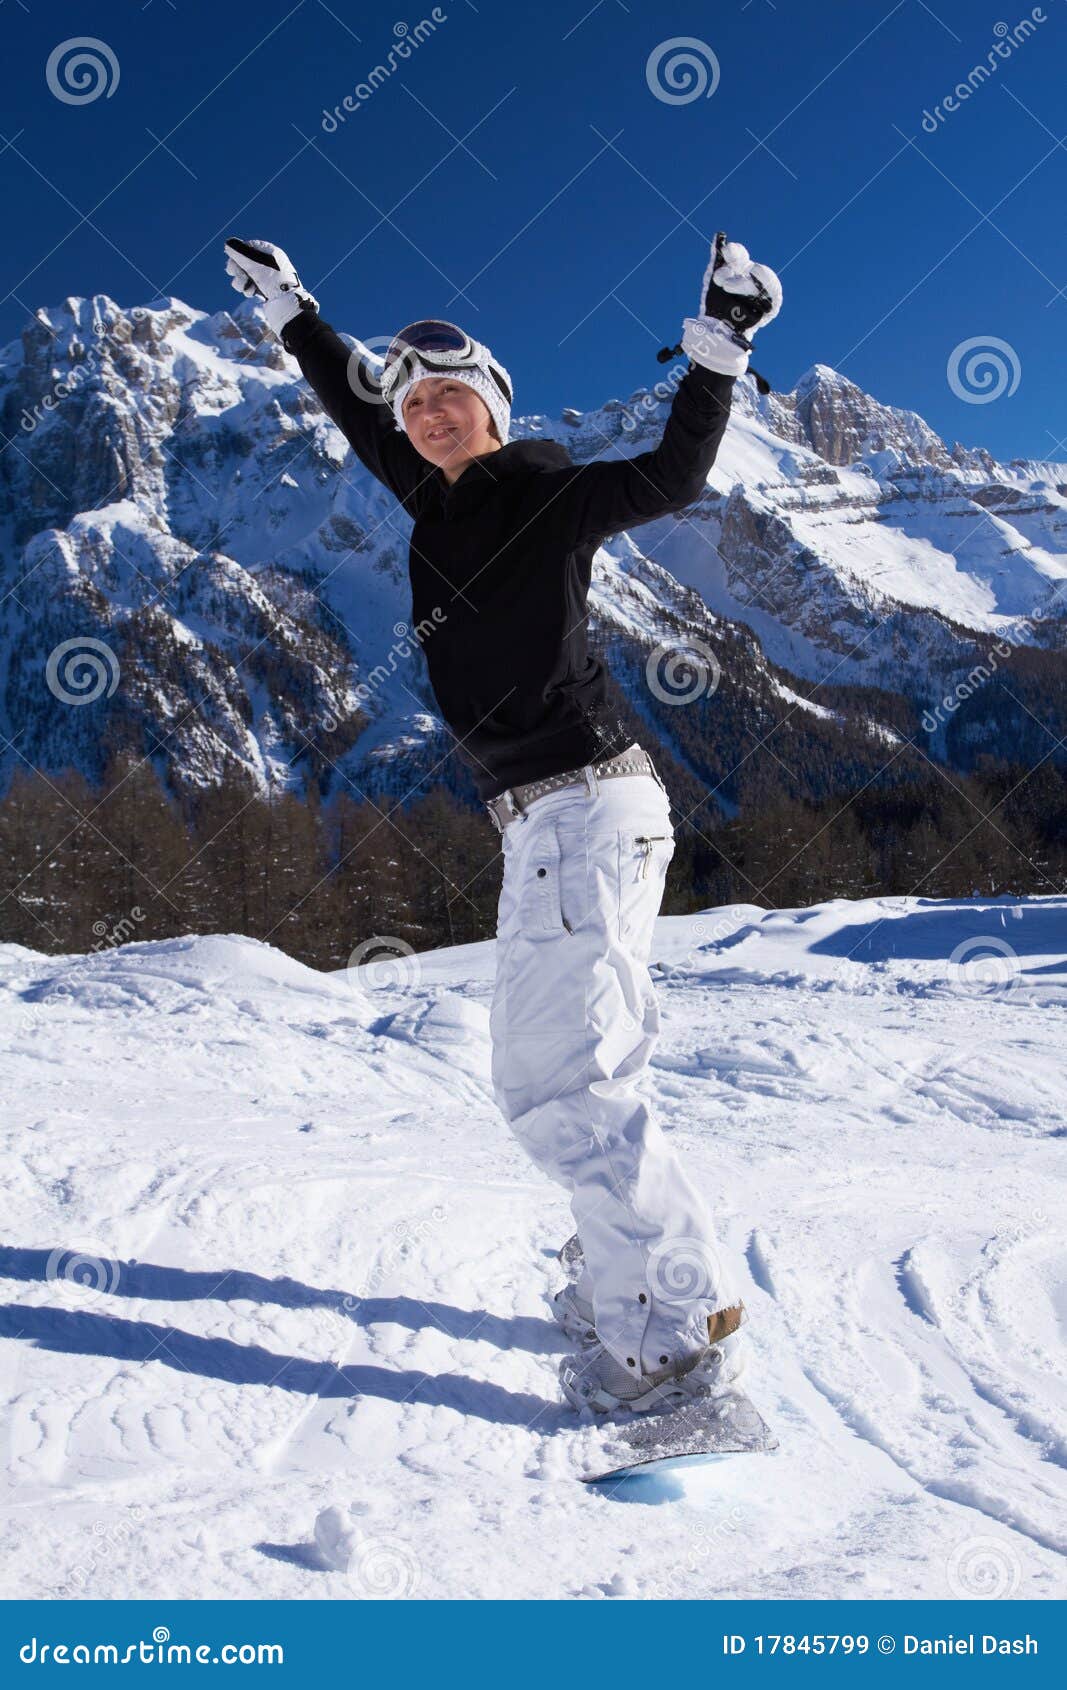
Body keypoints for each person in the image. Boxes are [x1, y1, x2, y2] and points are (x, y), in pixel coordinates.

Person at [223, 233, 782, 1417]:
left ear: (491, 406)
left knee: (570, 1075)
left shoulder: (545, 492)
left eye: (447, 400)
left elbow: (672, 476)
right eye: (412, 404)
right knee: (548, 1070)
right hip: (546, 819)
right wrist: (294, 318)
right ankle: (627, 1273)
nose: (424, 418)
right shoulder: (429, 495)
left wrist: (716, 349)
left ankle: (674, 1339)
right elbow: (349, 408)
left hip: (586, 801)